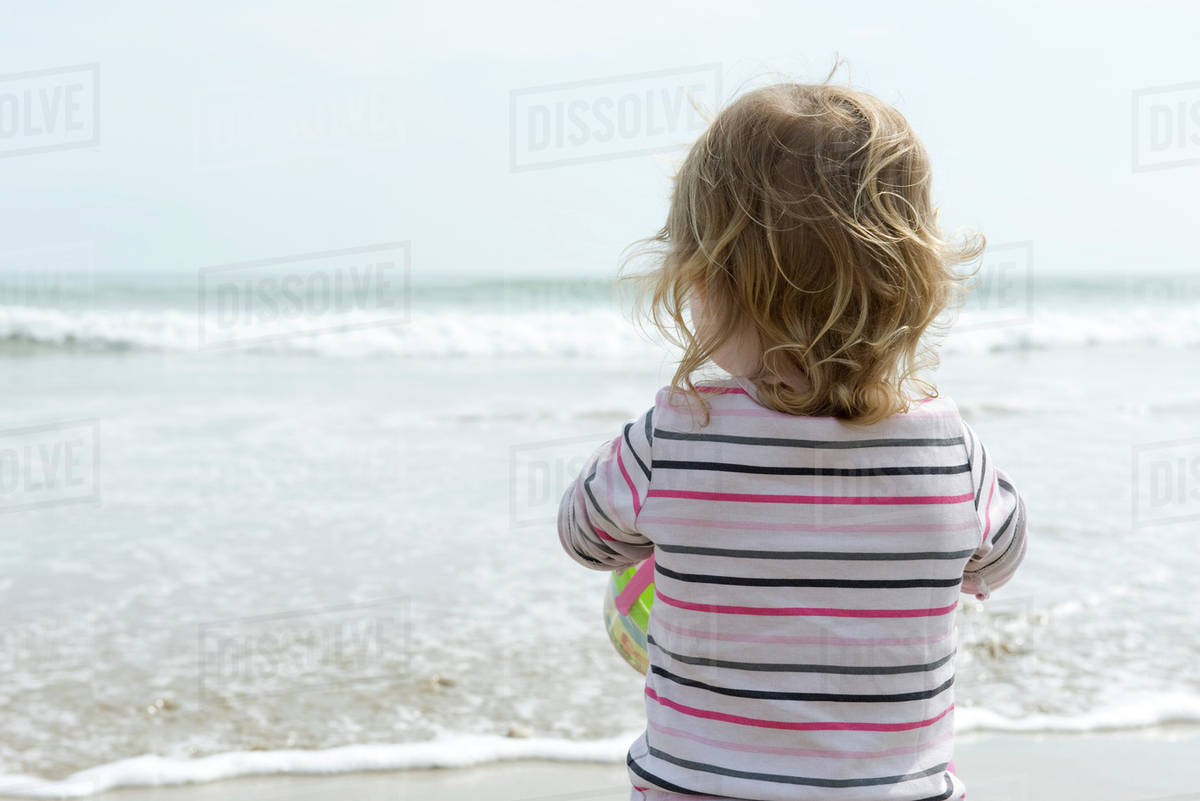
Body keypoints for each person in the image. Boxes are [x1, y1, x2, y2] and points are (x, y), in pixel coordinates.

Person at [557, 81, 1029, 801]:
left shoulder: (675, 437)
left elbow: (584, 536)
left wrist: (662, 534)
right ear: (911, 281)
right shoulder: (949, 450)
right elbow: (1002, 555)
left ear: (706, 279)